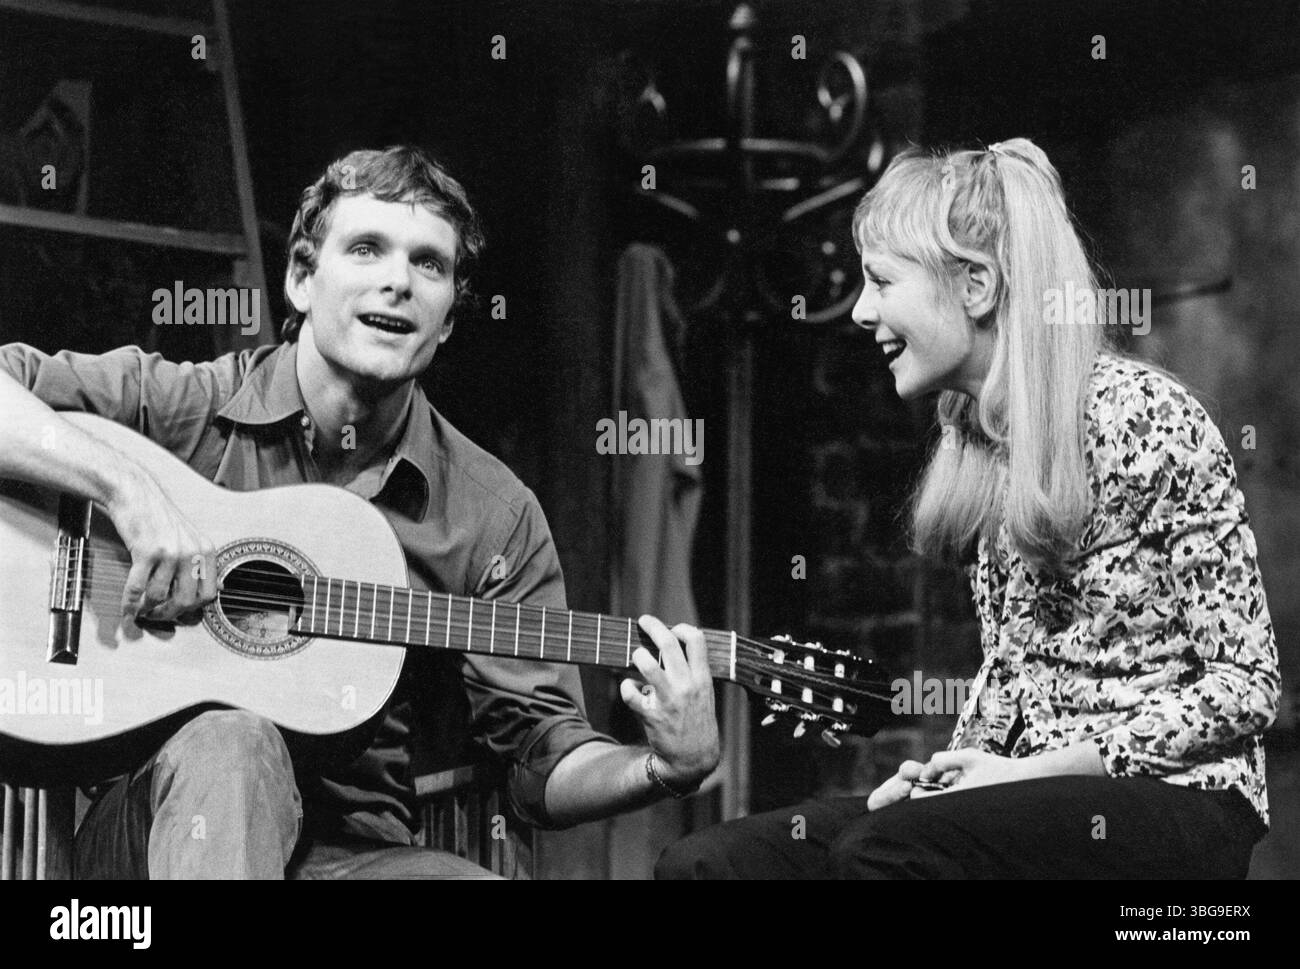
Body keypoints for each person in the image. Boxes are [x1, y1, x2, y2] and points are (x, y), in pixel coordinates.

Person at [0, 146, 720, 879]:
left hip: (354, 851)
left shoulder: (492, 516)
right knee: (235, 740)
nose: (398, 281)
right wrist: (127, 488)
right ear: (302, 278)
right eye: (368, 248)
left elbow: (542, 759)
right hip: (161, 830)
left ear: (446, 321)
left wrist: (663, 766)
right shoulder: (190, 406)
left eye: (429, 264)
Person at [656, 138, 1278, 880]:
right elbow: (1013, 678)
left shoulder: (1144, 416)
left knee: (883, 851)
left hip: (1175, 799)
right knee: (710, 863)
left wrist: (1031, 775)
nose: (859, 310)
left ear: (976, 286)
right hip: (1034, 794)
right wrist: (936, 782)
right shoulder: (980, 438)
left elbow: (1247, 687)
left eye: (882, 281)